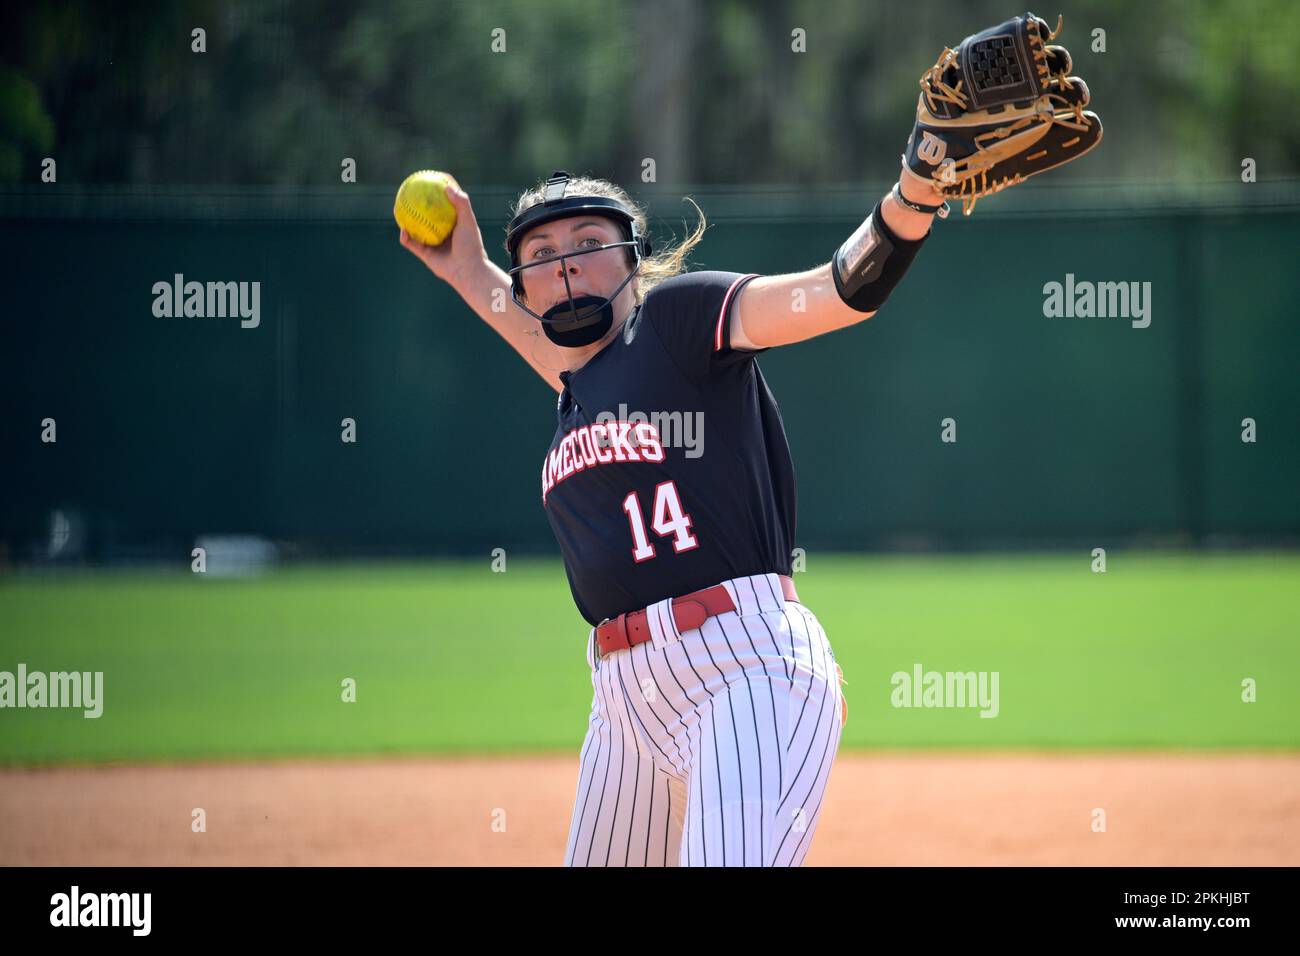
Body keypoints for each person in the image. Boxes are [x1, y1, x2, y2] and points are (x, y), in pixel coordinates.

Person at [399, 161, 943, 867]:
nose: (564, 265)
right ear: (524, 284)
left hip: (745, 671)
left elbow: (837, 291)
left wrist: (917, 192)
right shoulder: (580, 389)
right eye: (540, 254)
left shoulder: (679, 325)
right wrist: (468, 272)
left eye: (587, 240)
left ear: (633, 258)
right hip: (623, 704)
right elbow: (553, 349)